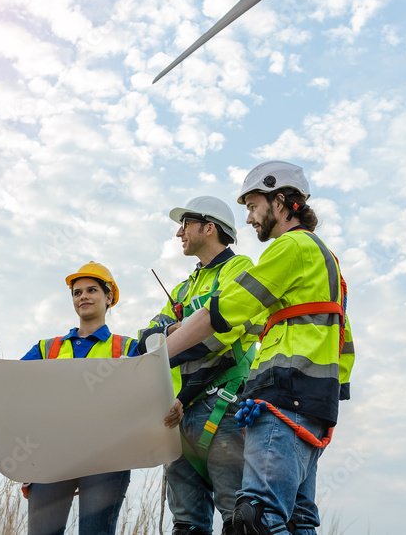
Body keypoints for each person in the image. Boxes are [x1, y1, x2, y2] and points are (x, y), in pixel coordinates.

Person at [165, 161, 354, 535]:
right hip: (313, 404)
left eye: (252, 206)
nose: (249, 218)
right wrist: (328, 398)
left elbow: (224, 312)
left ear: (279, 200)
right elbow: (344, 343)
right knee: (298, 522)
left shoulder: (291, 246)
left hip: (283, 397)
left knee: (254, 521)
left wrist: (161, 354)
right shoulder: (326, 258)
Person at [21, 261, 181, 535]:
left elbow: (154, 389)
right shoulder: (47, 347)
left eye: (91, 290)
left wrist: (173, 402)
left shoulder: (128, 347)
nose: (83, 296)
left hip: (109, 454)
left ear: (109, 298)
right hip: (52, 452)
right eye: (77, 292)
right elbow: (13, 386)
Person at [138, 196, 256, 535]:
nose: (178, 233)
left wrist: (172, 336)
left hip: (225, 407)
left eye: (185, 223)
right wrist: (183, 328)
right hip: (179, 414)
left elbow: (226, 332)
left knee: (238, 516)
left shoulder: (240, 269)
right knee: (186, 523)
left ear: (209, 227)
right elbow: (145, 340)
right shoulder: (183, 288)